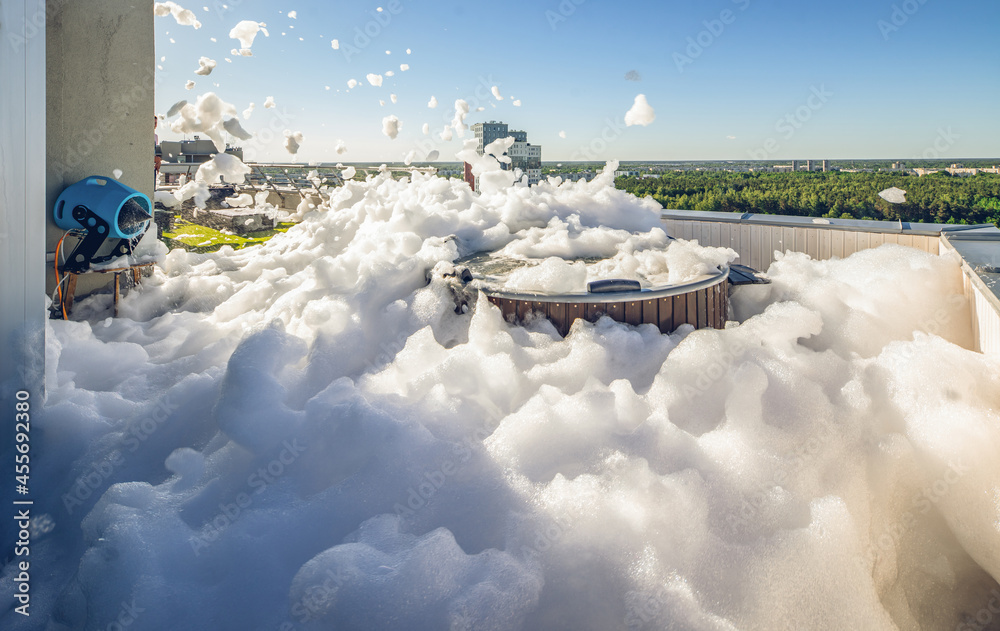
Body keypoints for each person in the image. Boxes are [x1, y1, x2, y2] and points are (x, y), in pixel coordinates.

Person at [154, 115, 162, 188]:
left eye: (156, 123)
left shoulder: (155, 136)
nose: (154, 125)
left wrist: (158, 161)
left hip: (153, 167)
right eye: (153, 123)